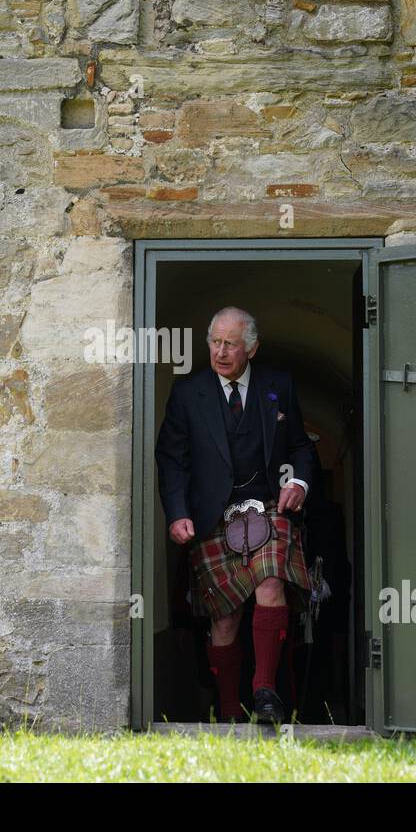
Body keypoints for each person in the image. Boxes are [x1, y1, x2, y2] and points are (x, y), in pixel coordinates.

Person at [155, 306, 318, 724]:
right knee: (224, 619)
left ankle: (265, 694)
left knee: (270, 585)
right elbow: (172, 459)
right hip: (214, 516)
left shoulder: (277, 386)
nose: (220, 351)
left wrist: (298, 482)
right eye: (214, 342)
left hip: (268, 508)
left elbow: (301, 444)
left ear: (252, 348)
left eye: (230, 344)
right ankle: (229, 715)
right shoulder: (188, 393)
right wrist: (177, 513)